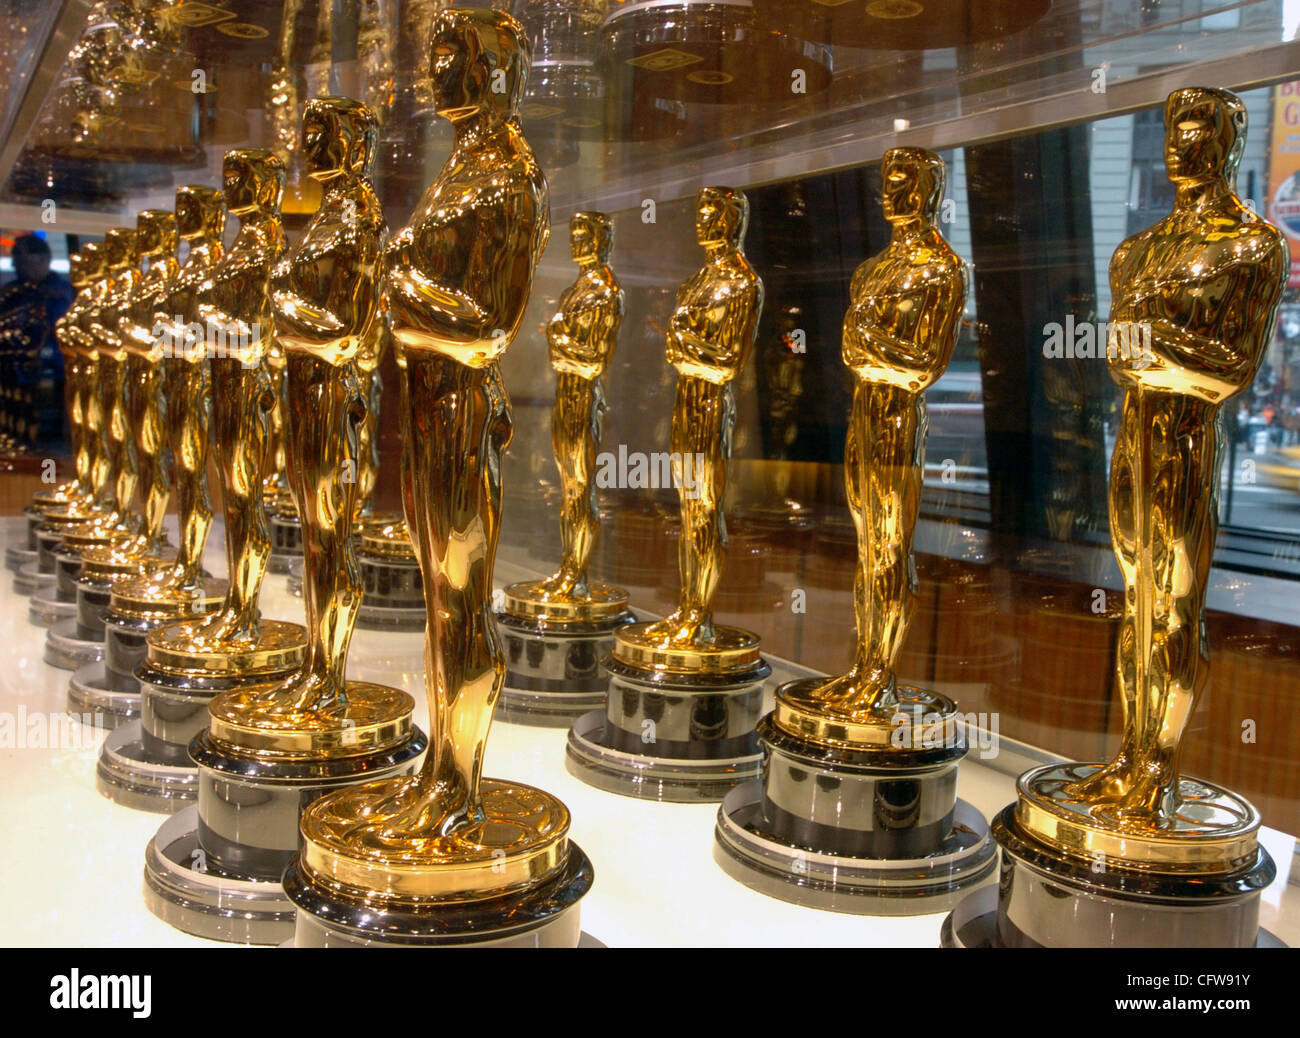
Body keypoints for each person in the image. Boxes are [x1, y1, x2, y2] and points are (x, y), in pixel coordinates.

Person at [0, 234, 75, 444]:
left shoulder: (62, 294)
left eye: (19, 255)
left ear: (41, 258)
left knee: (48, 437)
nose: (14, 262)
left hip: (53, 376)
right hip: (13, 374)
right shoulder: (10, 294)